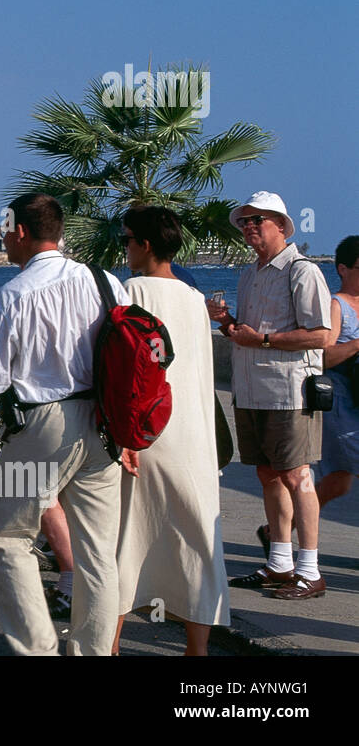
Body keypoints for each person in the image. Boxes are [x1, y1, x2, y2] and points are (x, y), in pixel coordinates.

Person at [0, 192, 129, 656]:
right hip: (103, 425)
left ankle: (37, 648)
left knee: (9, 538)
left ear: (20, 231)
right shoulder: (105, 283)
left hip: (43, 424)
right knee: (99, 551)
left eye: (5, 230)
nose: (3, 240)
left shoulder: (12, 297)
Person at [111, 206, 230, 656]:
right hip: (193, 436)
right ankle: (196, 649)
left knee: (125, 538)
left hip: (143, 434)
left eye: (126, 239)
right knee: (197, 539)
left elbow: (122, 369)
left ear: (143, 244)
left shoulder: (128, 292)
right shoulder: (193, 299)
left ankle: (112, 642)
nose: (124, 247)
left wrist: (121, 435)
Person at [208, 191, 331, 600]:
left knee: (298, 476)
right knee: (268, 475)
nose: (248, 227)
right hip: (251, 390)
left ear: (281, 224)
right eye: (244, 221)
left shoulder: (301, 271)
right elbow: (249, 332)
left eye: (257, 219)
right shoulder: (250, 273)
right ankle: (280, 563)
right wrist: (227, 323)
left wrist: (261, 338)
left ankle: (310, 569)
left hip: (288, 391)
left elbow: (321, 334)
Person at [318, 236, 359, 517]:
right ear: (343, 269)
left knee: (339, 482)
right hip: (342, 401)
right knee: (341, 476)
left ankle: (276, 530)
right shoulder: (336, 305)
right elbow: (324, 357)